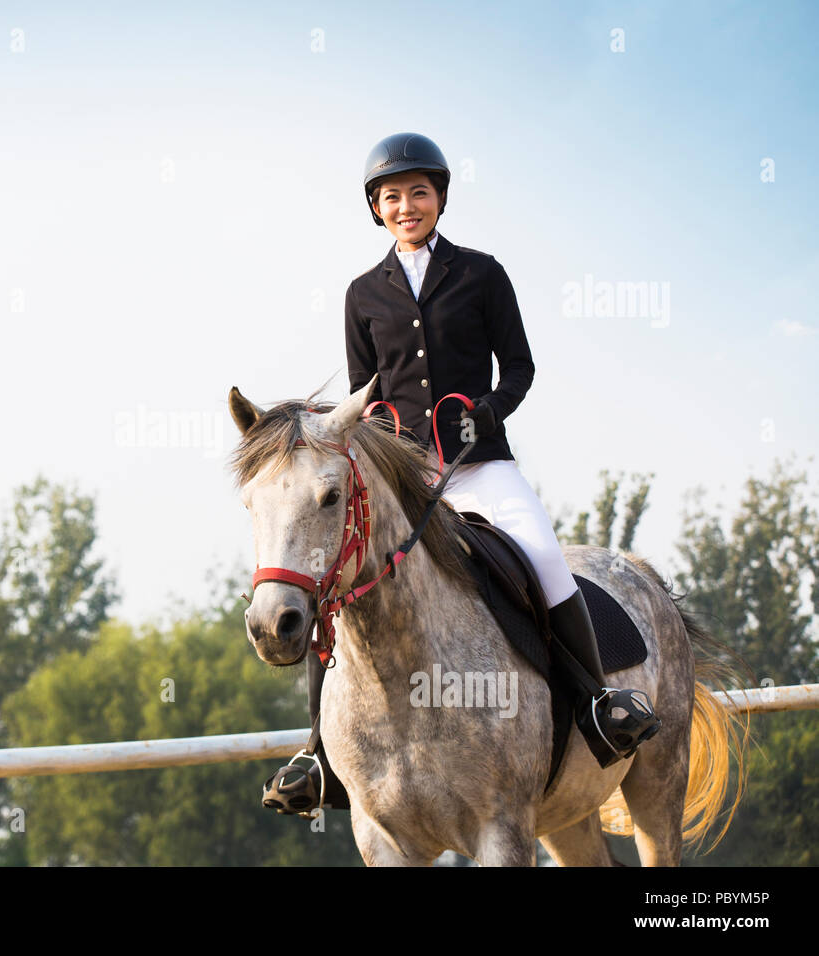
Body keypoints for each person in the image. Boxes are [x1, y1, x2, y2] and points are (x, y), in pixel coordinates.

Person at [262, 133, 659, 816]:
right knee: (341, 584)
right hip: (406, 481)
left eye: (418, 192)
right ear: (377, 210)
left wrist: (487, 411)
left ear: (439, 198)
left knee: (541, 555)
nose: (406, 205)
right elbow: (365, 396)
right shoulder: (363, 294)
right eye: (392, 196)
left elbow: (521, 369)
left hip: (480, 468)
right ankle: (320, 756)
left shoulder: (481, 274)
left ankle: (598, 701)